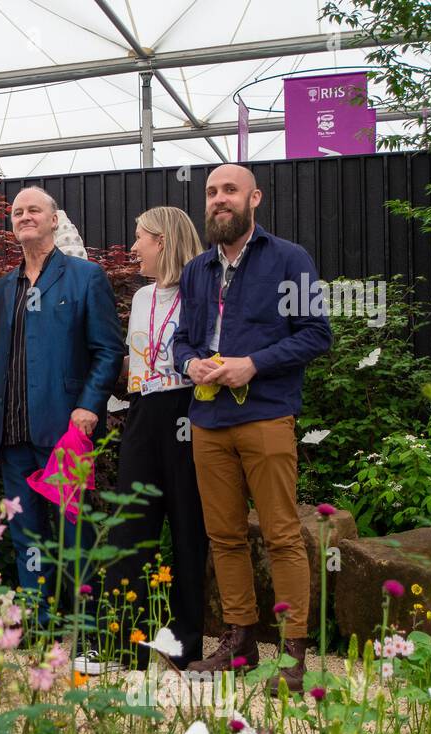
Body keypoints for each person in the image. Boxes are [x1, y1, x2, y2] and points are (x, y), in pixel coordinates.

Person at [170, 164, 332, 694]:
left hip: (265, 413)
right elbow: (182, 341)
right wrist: (190, 363)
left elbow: (316, 335)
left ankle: (291, 653)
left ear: (253, 198)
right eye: (212, 191)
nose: (219, 199)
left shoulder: (289, 259)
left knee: (283, 534)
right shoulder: (197, 270)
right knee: (224, 536)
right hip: (208, 418)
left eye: (229, 191)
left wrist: (252, 364)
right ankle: (239, 642)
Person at [0, 187, 125, 615]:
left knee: (72, 529)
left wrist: (89, 405)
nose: (25, 217)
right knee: (26, 533)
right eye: (17, 212)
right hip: (11, 433)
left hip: (66, 428)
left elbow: (108, 350)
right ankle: (38, 618)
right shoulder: (1, 290)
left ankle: (83, 623)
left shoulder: (86, 276)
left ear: (54, 220)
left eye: (34, 210)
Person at [98, 206, 208, 671]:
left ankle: (185, 646)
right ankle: (125, 643)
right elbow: (134, 360)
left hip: (188, 407)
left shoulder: (202, 290)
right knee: (130, 528)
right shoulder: (142, 296)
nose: (132, 247)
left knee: (188, 529)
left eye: (139, 237)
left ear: (162, 240)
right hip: (142, 411)